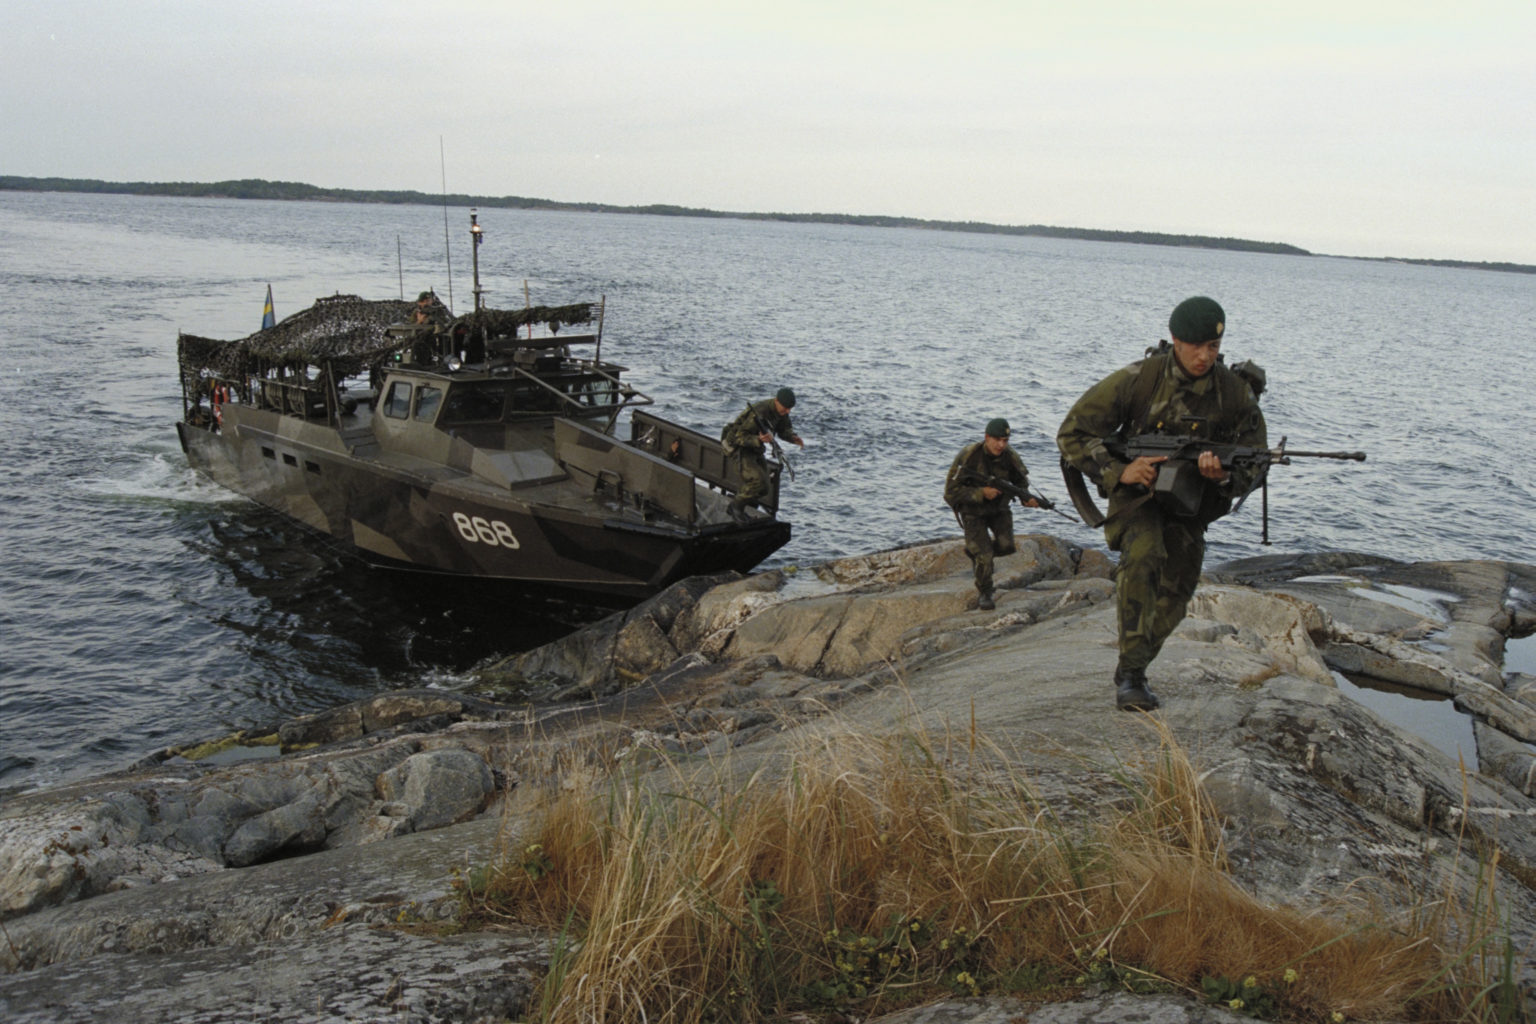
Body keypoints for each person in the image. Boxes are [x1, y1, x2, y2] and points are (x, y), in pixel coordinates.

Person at [1057, 296, 1266, 711]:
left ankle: (1132, 662)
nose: (1206, 356)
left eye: (1213, 347)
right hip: (1138, 500)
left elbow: (1255, 461)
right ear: (1175, 340)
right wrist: (1121, 472)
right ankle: (1132, 677)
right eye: (1196, 346)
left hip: (1189, 505)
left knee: (1179, 590)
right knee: (1145, 556)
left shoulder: (1233, 394)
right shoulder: (1139, 379)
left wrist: (1222, 475)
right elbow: (1071, 434)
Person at [944, 418, 1037, 610]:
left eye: (1005, 440)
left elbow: (1021, 483)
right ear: (987, 437)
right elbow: (950, 492)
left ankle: (975, 552)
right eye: (997, 440)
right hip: (973, 512)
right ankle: (985, 591)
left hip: (999, 509)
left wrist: (1026, 498)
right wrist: (981, 493)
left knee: (1007, 546)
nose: (1001, 445)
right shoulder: (969, 455)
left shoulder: (1010, 457)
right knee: (985, 555)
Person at [721, 387, 804, 522]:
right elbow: (738, 437)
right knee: (758, 482)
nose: (787, 412)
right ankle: (735, 507)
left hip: (755, 448)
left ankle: (747, 501)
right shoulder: (760, 412)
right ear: (776, 401)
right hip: (738, 447)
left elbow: (784, 429)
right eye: (785, 408)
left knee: (765, 488)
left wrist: (793, 438)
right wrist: (758, 440)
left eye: (790, 409)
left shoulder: (781, 412)